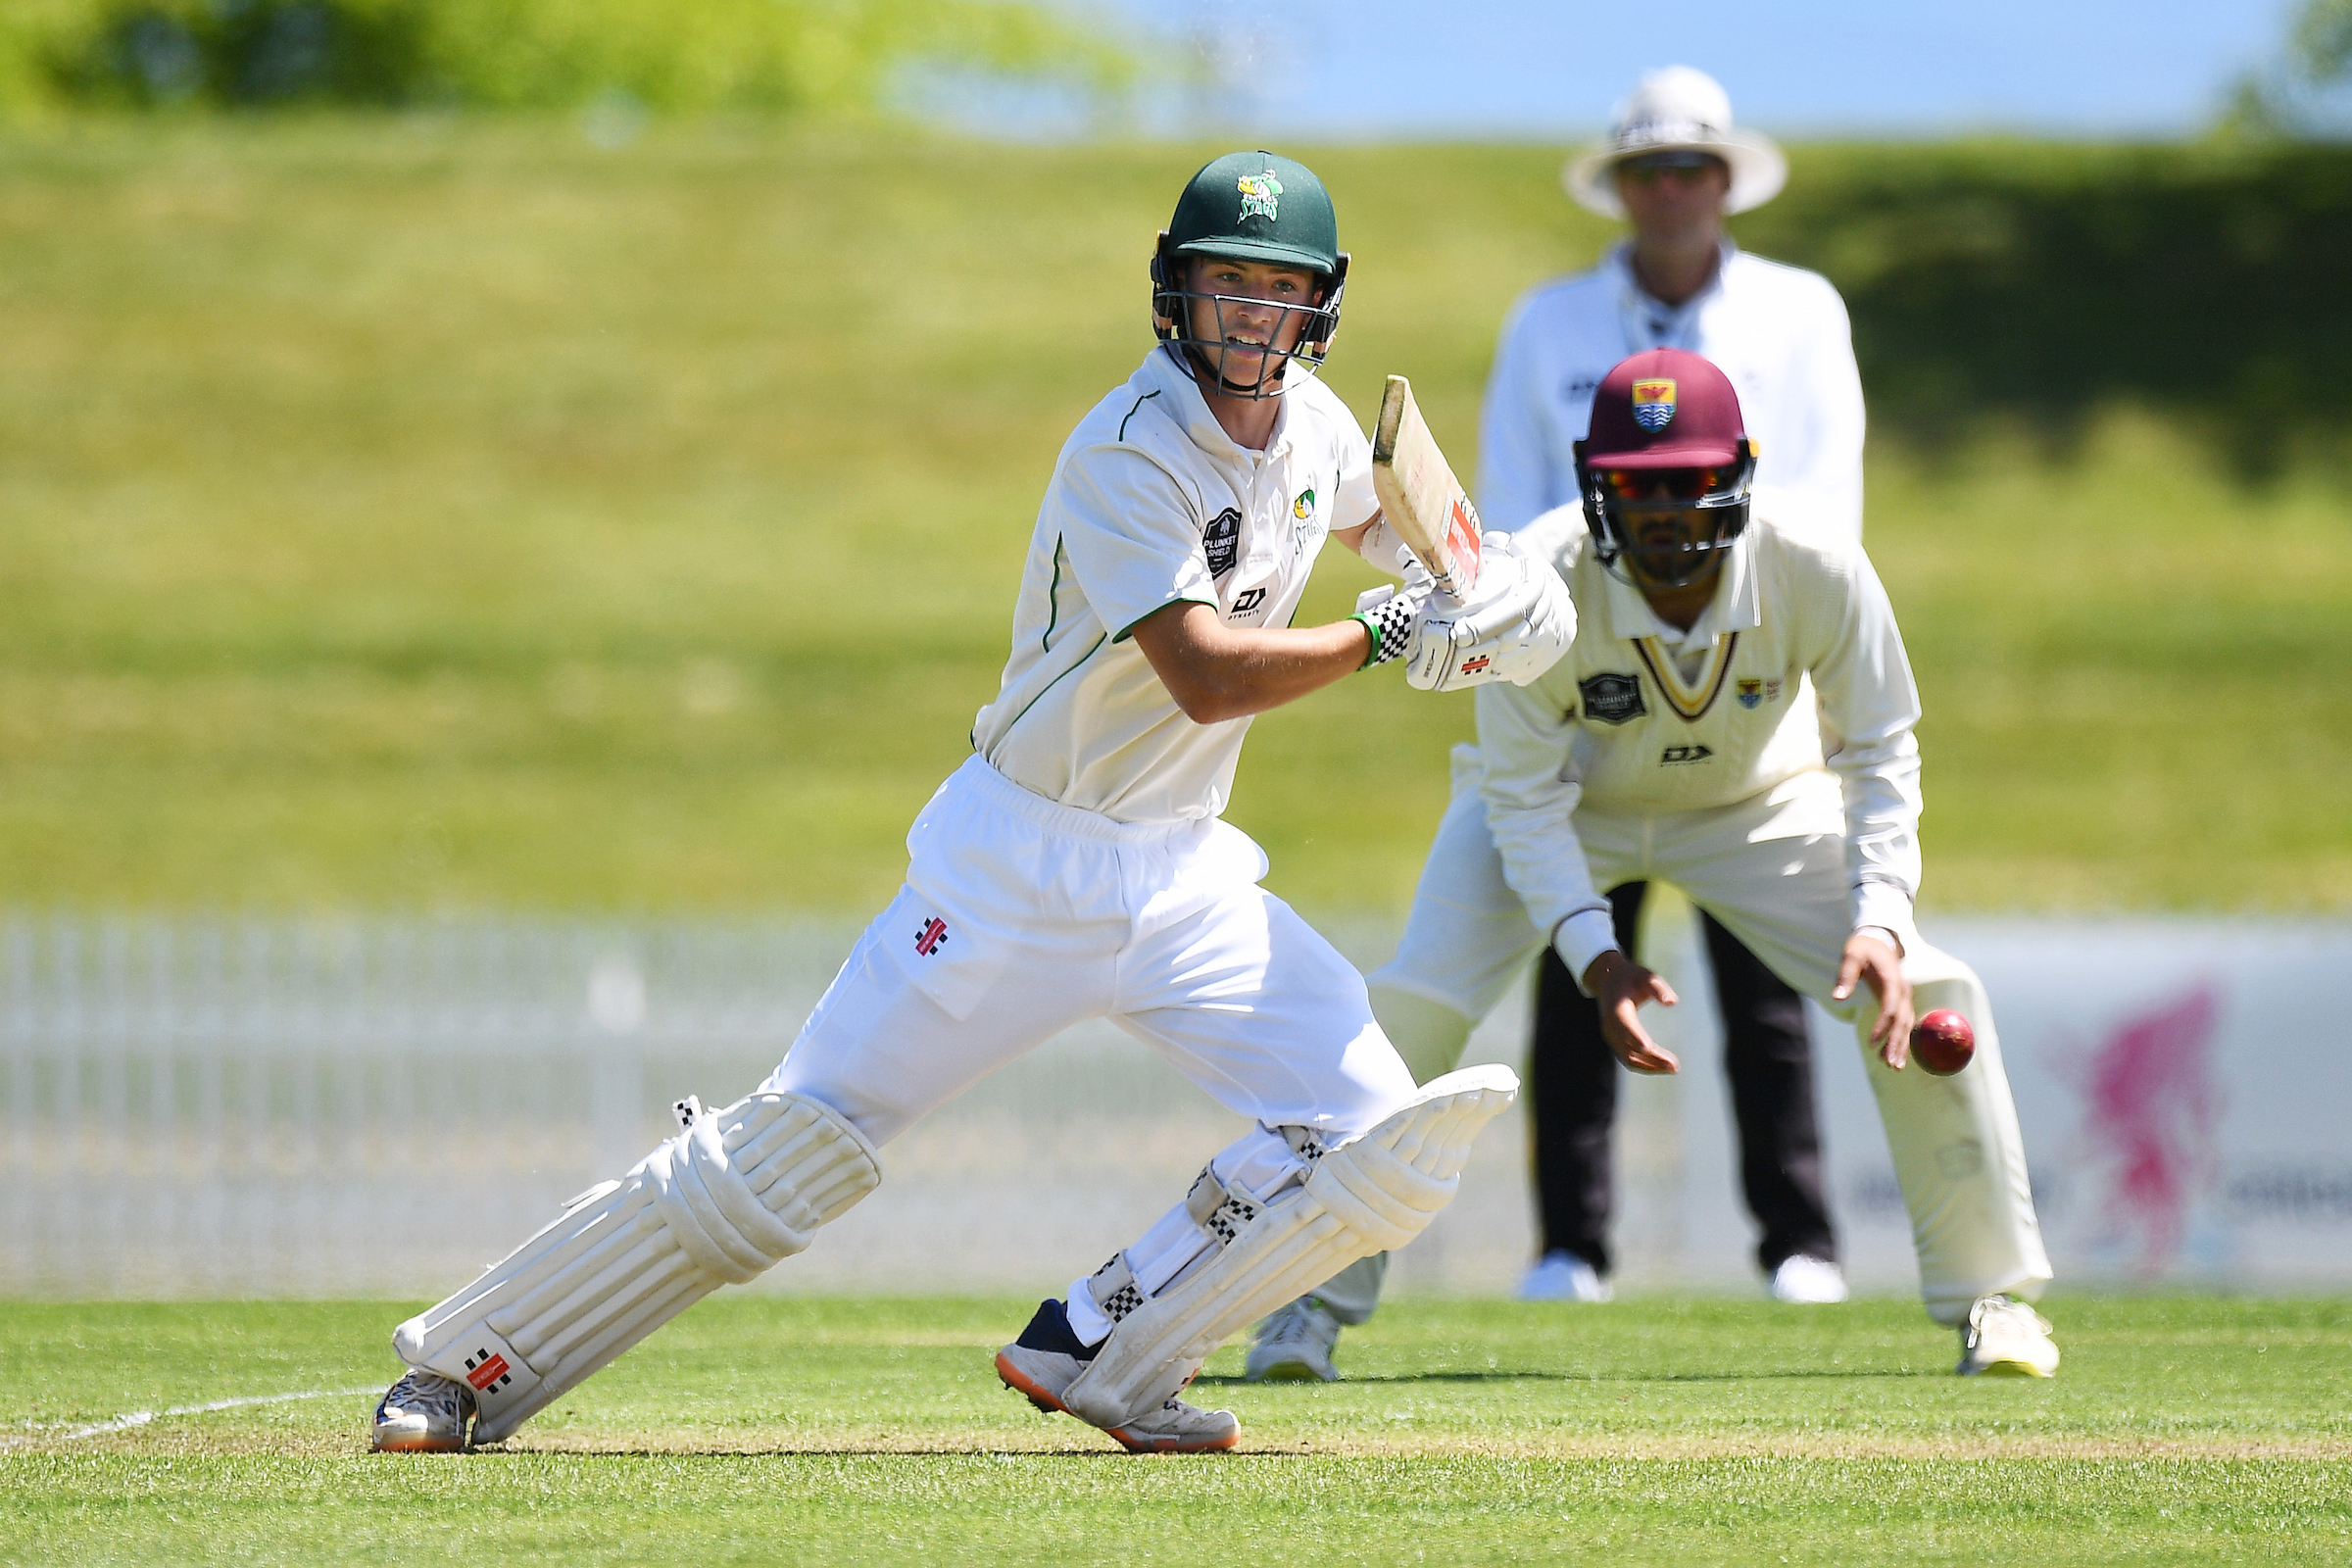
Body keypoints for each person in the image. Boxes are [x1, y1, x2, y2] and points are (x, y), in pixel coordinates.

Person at [364, 150, 1569, 1457]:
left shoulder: (1322, 428)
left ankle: (1106, 1346)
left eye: (1277, 292)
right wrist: (1392, 634)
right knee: (786, 1157)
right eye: (1227, 285)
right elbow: (1207, 676)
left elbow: (1406, 538)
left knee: (1376, 1140)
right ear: (1175, 293)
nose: (1250, 318)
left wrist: (1491, 587)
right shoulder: (1127, 450)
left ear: (1319, 308)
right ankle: (463, 1372)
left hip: (1181, 883)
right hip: (1013, 876)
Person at [1246, 66, 1864, 1385]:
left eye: (1693, 169)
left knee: (1771, 987)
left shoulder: (1800, 313)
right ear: (1626, 186)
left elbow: (1823, 504)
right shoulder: (1551, 320)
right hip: (1573, 685)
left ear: (1725, 181)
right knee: (1547, 976)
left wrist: (1732, 638)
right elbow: (1519, 507)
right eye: (1651, 171)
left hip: (1744, 699)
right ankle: (1554, 1247)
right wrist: (1526, 632)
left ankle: (1799, 1245)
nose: (1672, 191)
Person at [1416, 349, 2057, 1375]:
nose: (1664, 512)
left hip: (1757, 807)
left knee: (1932, 991)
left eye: (1687, 482)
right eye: (1635, 486)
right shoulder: (1536, 581)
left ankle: (1996, 1298)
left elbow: (1883, 744)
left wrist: (1880, 914)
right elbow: (1522, 796)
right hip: (1572, 807)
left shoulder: (1818, 565)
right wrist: (1595, 952)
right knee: (1412, 1000)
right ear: (1594, 483)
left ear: (1741, 472)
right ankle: (1304, 1307)